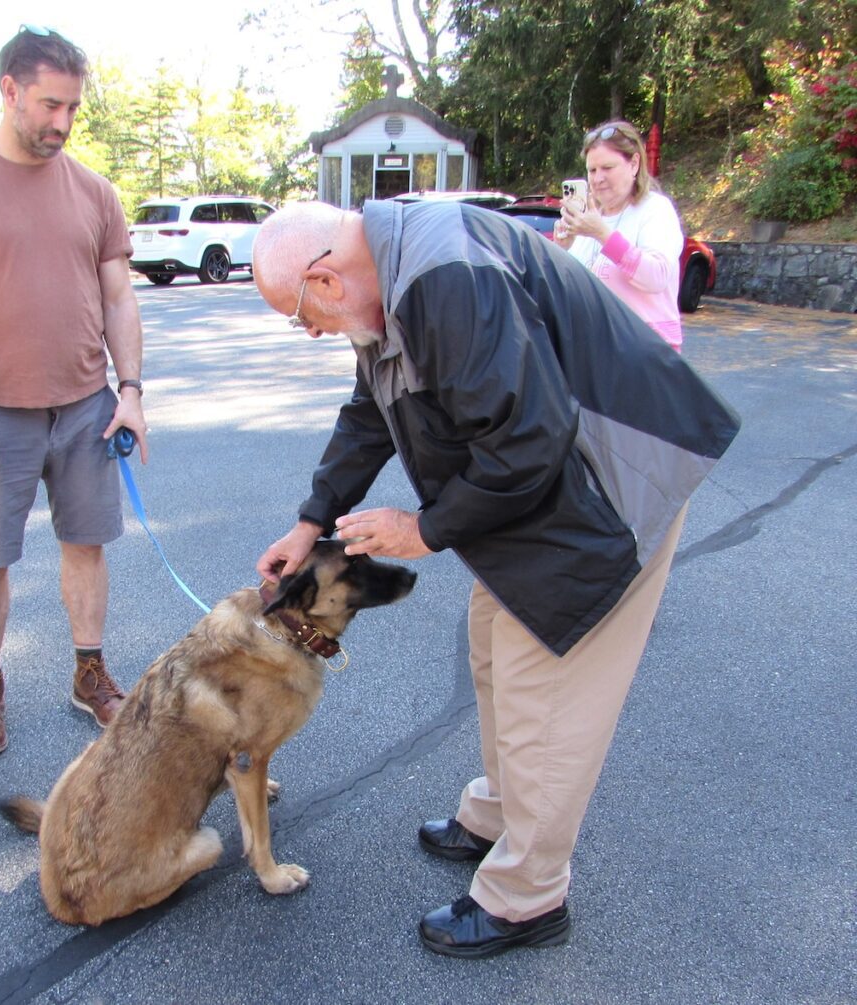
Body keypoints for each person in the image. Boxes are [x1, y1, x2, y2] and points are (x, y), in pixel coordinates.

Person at [249, 200, 739, 958]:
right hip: (549, 482)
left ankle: (528, 896)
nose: (310, 331)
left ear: (324, 276)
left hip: (611, 481)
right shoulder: (388, 273)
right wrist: (312, 520)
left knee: (543, 682)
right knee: (491, 645)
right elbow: (371, 411)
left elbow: (532, 439)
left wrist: (424, 529)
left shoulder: (446, 278)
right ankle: (499, 811)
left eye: (299, 314)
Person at [0, 26, 148, 757]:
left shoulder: (95, 191)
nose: (63, 123)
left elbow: (118, 299)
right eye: (50, 105)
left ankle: (89, 671)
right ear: (9, 91)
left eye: (73, 107)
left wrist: (129, 390)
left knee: (88, 545)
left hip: (85, 407)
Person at [554, 120, 685, 350]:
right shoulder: (589, 219)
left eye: (607, 168)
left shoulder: (655, 210)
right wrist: (560, 251)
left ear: (634, 164)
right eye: (592, 170)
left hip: (644, 355)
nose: (597, 178)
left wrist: (603, 235)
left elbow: (657, 276)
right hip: (594, 354)